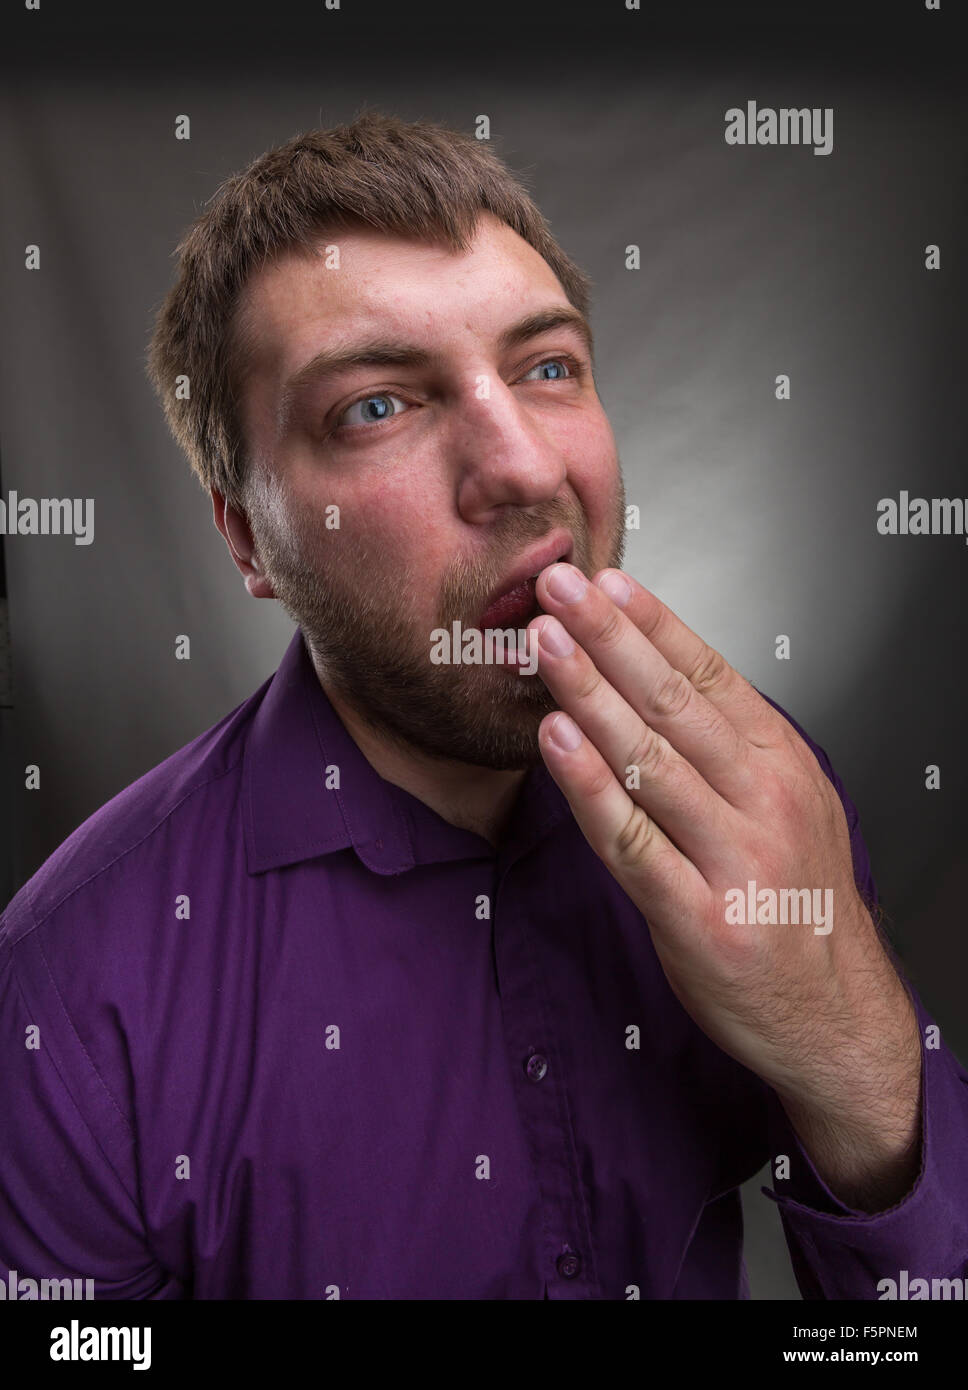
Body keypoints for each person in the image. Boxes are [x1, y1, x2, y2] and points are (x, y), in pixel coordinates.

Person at [1, 110, 966, 1301]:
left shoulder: (758, 798)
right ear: (249, 539)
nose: (520, 467)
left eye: (545, 366)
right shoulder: (67, 999)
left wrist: (854, 1058)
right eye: (376, 406)